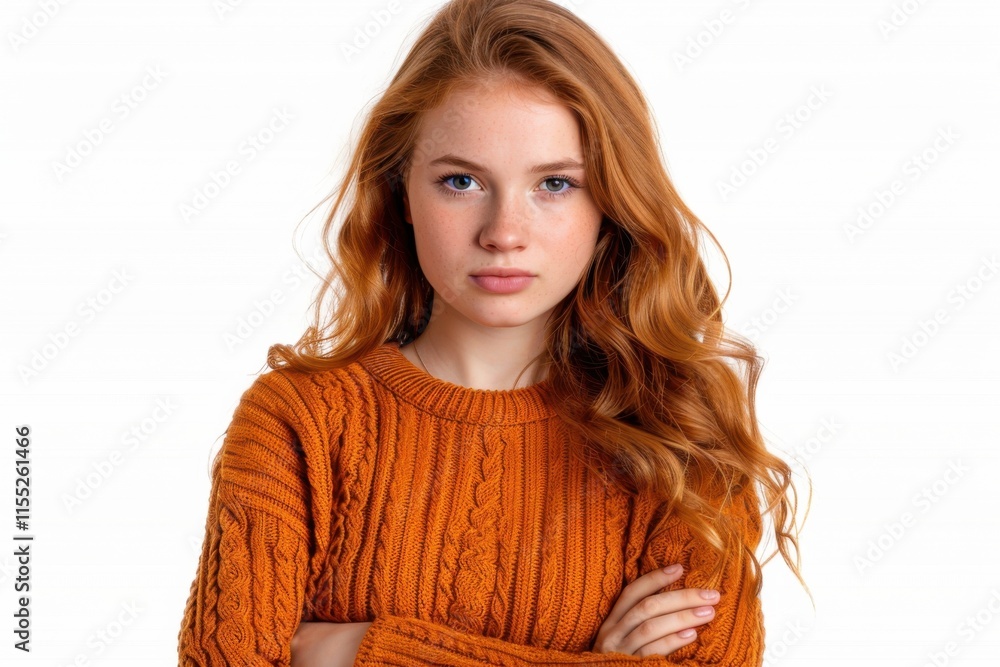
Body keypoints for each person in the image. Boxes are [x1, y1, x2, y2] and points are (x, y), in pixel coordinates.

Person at [176, 0, 808, 664]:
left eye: (555, 184)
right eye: (461, 181)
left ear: (611, 203)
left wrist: (353, 648)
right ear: (401, 192)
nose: (503, 232)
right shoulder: (298, 423)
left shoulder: (678, 438)